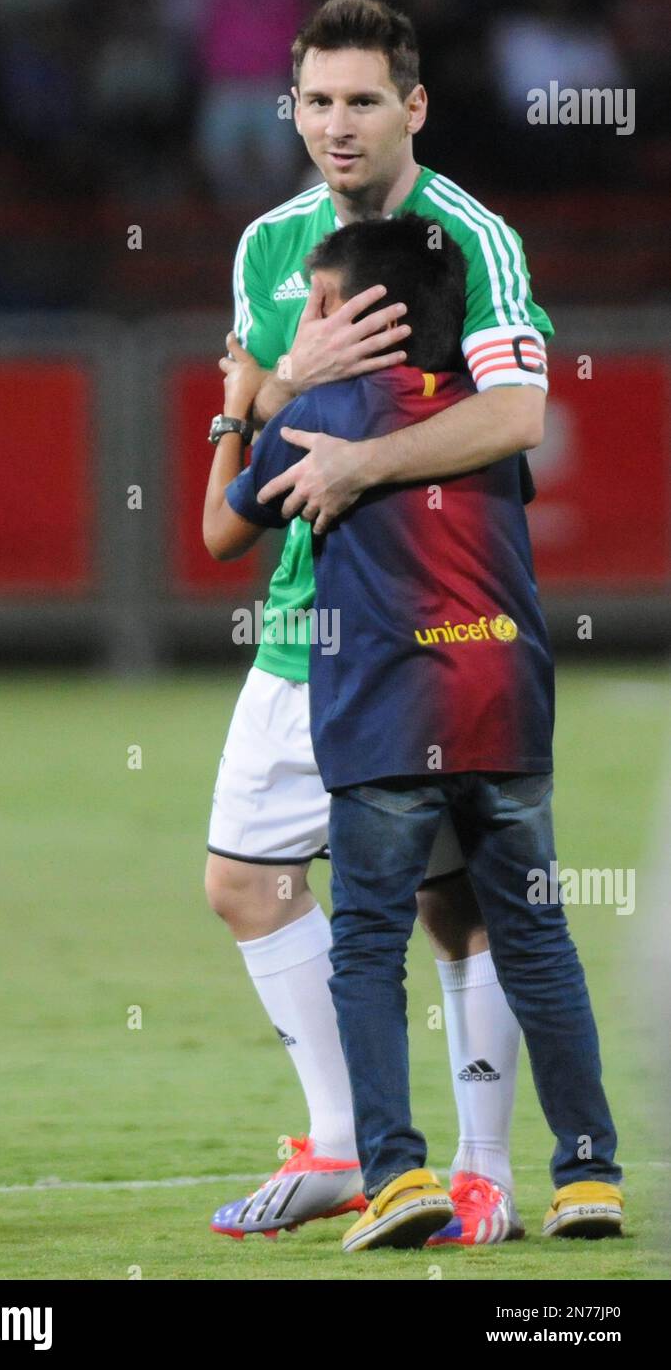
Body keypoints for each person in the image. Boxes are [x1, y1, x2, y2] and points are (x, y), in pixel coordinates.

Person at [205, 211, 623, 1252]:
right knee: (535, 936)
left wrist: (239, 411)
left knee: (365, 946)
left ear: (350, 314)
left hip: (389, 711)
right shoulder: (474, 414)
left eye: (314, 303)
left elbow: (219, 531)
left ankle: (393, 1175)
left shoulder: (322, 417)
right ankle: (587, 1175)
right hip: (507, 703)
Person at [204, 0, 550, 1242]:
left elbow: (515, 418)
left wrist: (360, 469)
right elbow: (245, 442)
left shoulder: (469, 238)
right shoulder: (266, 247)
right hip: (308, 617)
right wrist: (271, 400)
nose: (336, 126)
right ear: (288, 107)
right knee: (244, 880)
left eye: (362, 101)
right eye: (316, 101)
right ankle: (346, 1149)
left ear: (412, 107)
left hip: (435, 617)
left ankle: (481, 1170)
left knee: (447, 896)